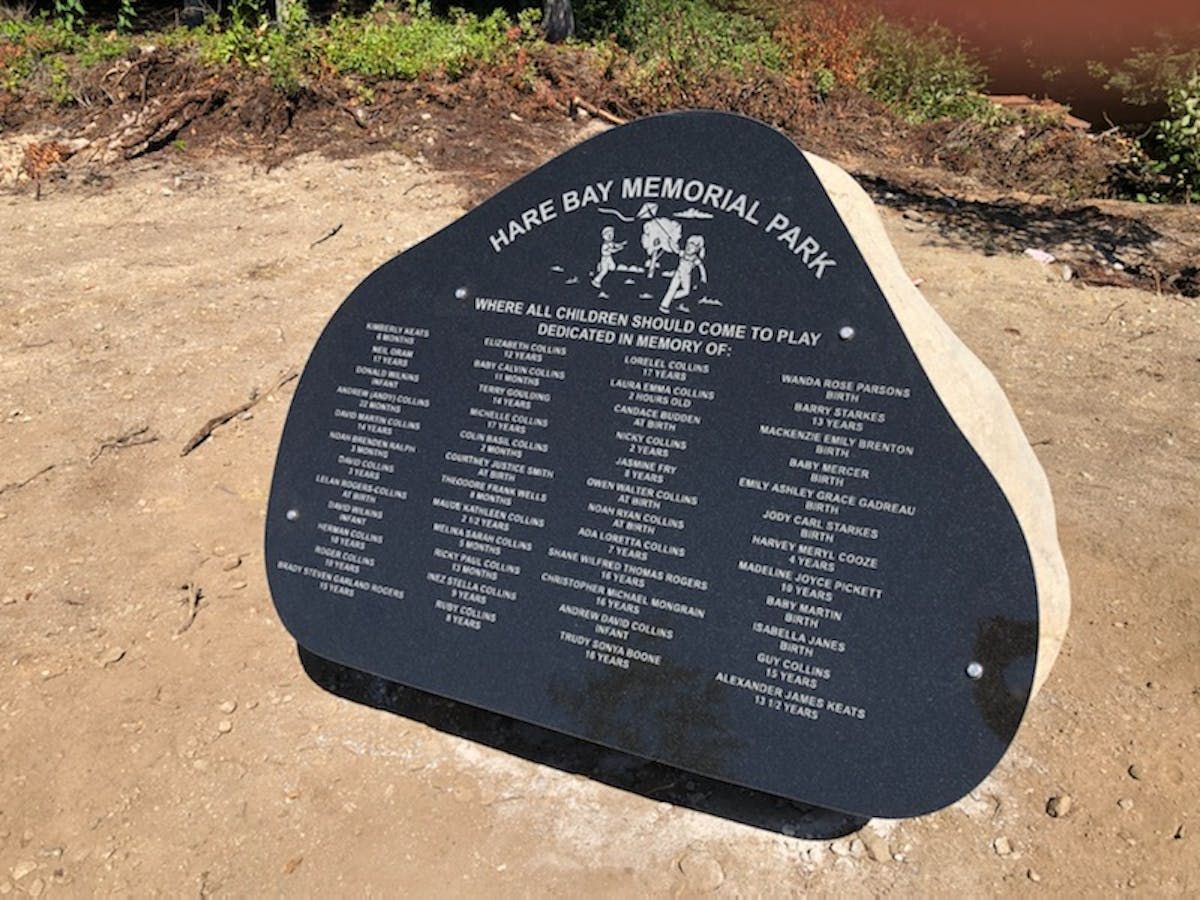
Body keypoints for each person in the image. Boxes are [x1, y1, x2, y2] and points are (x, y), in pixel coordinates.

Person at [659, 235, 706, 313]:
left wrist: (703, 277)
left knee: (684, 291)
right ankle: (664, 306)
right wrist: (670, 242)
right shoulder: (683, 253)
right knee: (672, 289)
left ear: (697, 249)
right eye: (687, 245)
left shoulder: (695, 259)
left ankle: (670, 299)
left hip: (685, 276)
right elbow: (675, 250)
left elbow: (701, 268)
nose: (688, 248)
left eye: (691, 247)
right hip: (679, 273)